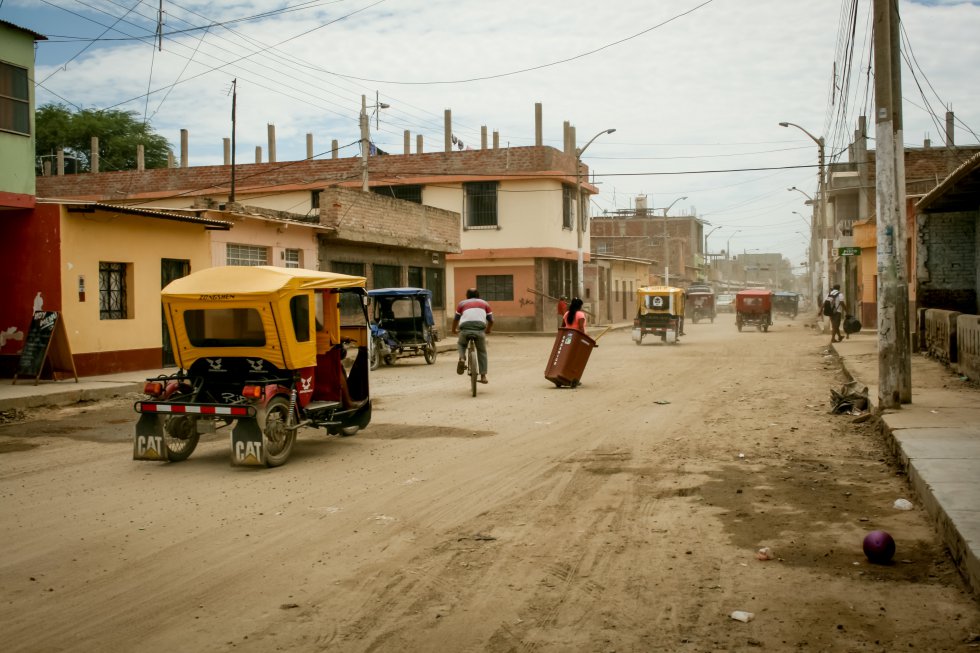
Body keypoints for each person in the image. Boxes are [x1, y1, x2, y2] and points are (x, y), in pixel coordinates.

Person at [452, 288, 493, 384]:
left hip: (465, 329)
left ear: (467, 296)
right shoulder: (485, 303)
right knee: (482, 351)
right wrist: (488, 330)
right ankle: (483, 376)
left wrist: (454, 330)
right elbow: (491, 320)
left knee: (462, 344)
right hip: (479, 330)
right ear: (478, 295)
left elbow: (456, 319)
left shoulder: (462, 303)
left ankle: (462, 358)